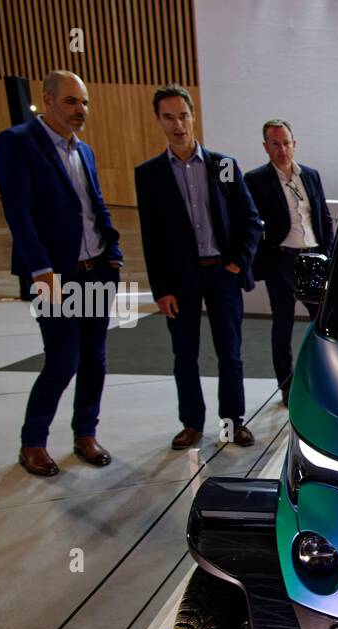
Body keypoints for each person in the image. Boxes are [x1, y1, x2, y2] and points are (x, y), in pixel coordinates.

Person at [0, 69, 121, 476]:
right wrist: (41, 270)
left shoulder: (83, 151)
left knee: (95, 359)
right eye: (71, 101)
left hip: (95, 271)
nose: (80, 109)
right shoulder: (18, 143)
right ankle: (32, 442)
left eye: (84, 102)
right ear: (46, 100)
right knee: (63, 359)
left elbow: (95, 206)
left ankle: (85, 433)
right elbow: (18, 212)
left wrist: (113, 254)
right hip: (54, 277)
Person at [134, 84, 263, 449]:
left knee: (230, 353)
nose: (178, 125)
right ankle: (192, 424)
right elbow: (152, 238)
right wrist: (161, 289)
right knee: (184, 356)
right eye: (169, 117)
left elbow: (250, 220)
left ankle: (232, 422)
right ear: (159, 120)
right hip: (180, 280)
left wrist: (239, 262)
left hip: (222, 273)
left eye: (183, 116)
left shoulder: (223, 167)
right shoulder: (150, 175)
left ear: (194, 116)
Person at [243, 119, 334, 405]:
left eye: (286, 142)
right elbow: (250, 223)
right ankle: (287, 384)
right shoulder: (256, 180)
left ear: (295, 143)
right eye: (275, 143)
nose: (282, 149)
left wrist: (328, 253)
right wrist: (263, 258)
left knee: (324, 322)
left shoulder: (310, 175)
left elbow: (322, 218)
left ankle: (325, 380)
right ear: (265, 147)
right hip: (281, 260)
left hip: (314, 257)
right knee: (282, 325)